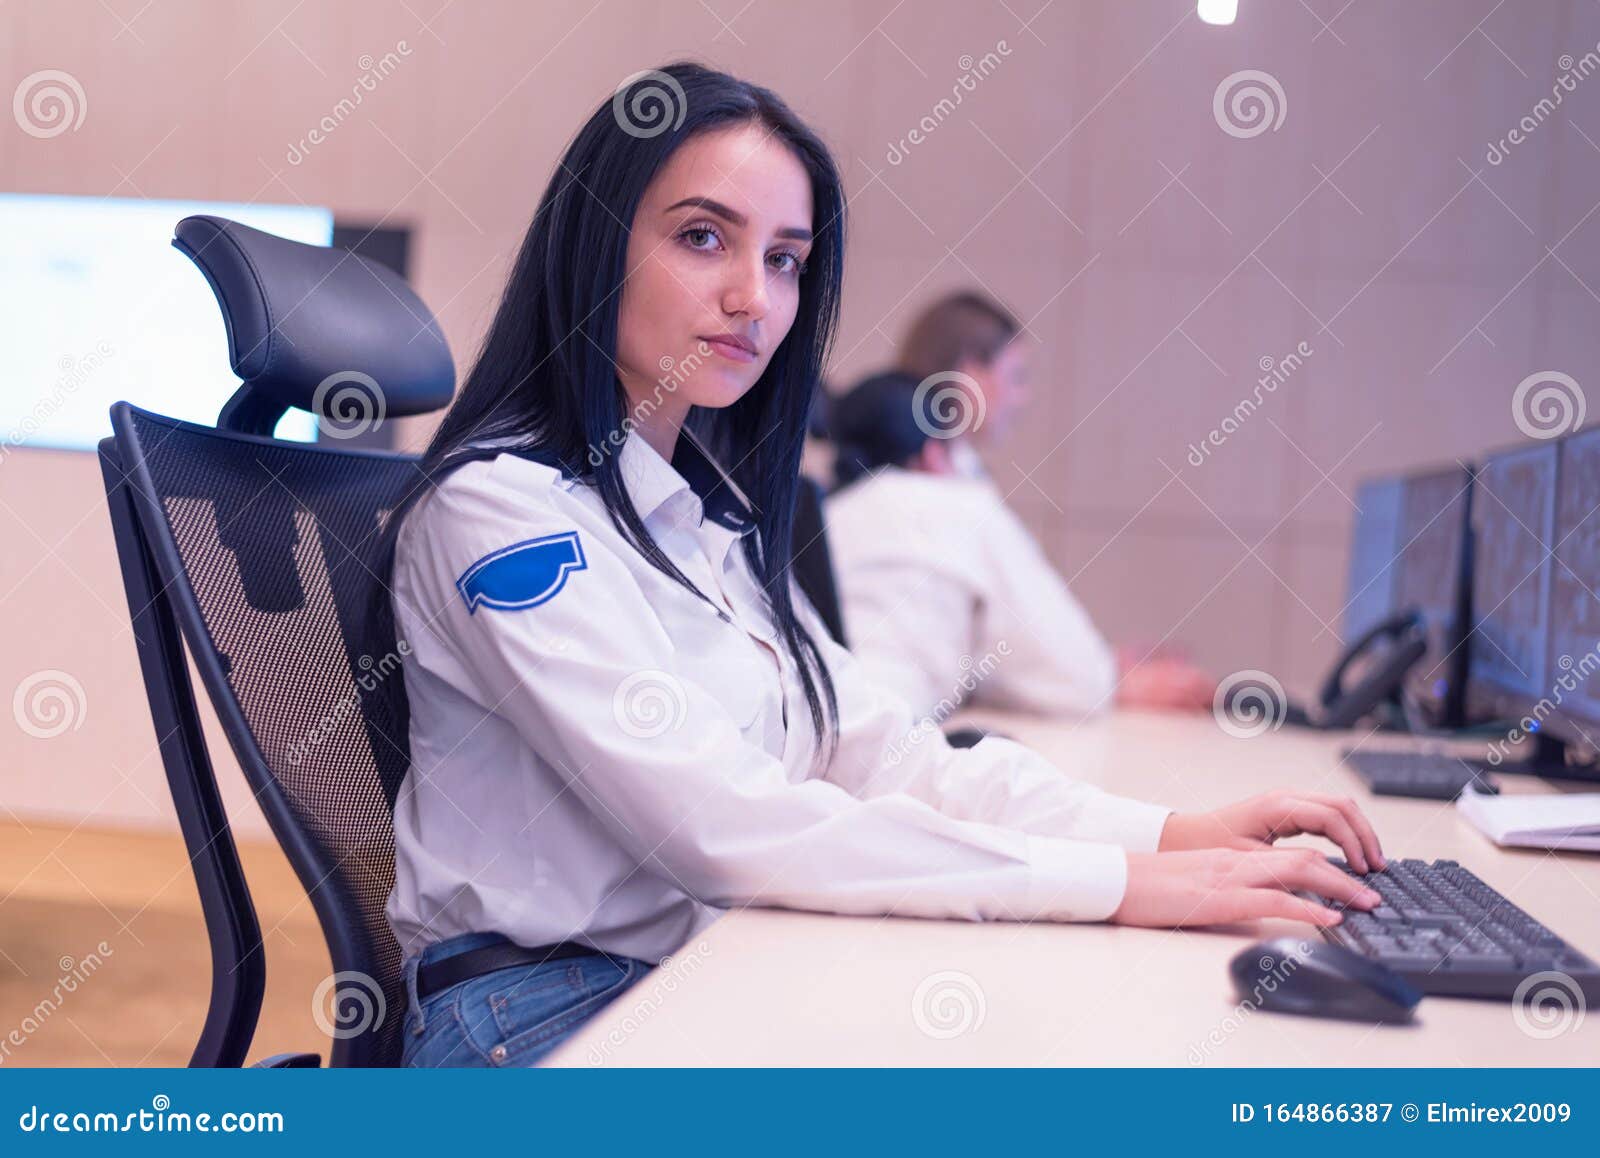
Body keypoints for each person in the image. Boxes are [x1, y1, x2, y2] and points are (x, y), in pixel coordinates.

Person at [380, 62, 1386, 1069]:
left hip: (694, 971)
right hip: (539, 1023)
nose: (753, 298)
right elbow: (720, 824)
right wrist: (1117, 886)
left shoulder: (704, 517)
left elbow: (884, 755)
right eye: (702, 238)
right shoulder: (502, 511)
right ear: (596, 244)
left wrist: (1171, 834)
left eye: (785, 260)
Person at [825, 294, 1217, 720]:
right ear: (970, 376)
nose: (1023, 397)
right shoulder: (957, 505)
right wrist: (1113, 678)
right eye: (1016, 376)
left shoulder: (840, 503)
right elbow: (1073, 675)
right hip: (882, 731)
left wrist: (1103, 666)